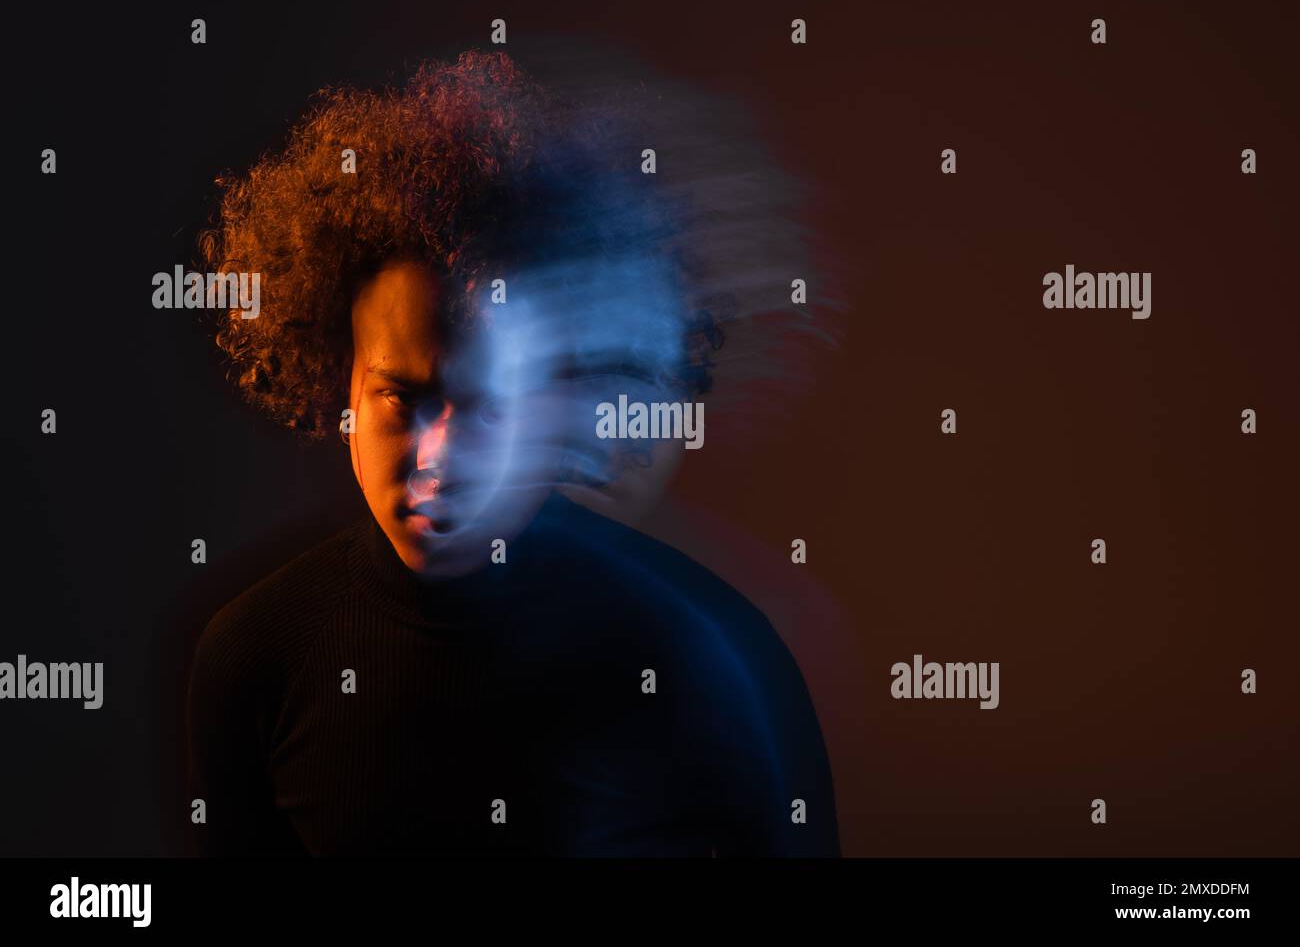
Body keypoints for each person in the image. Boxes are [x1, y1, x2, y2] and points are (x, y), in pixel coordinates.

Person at [185, 50, 839, 856]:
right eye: (401, 395)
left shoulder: (703, 654)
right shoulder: (254, 653)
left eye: (488, 405)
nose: (439, 453)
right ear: (338, 380)